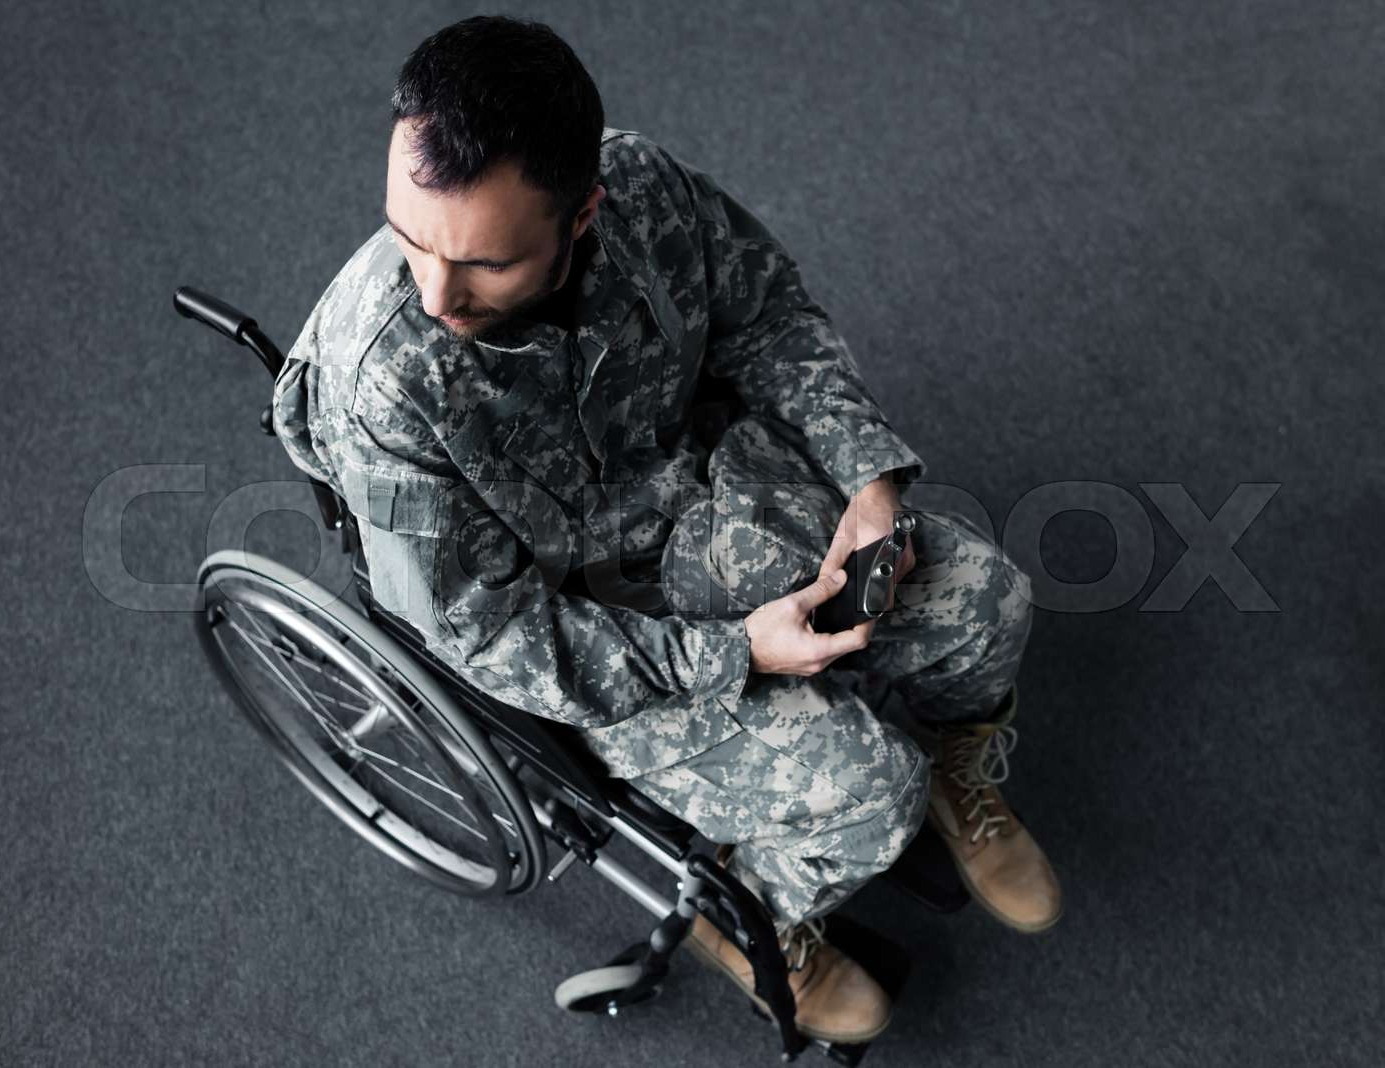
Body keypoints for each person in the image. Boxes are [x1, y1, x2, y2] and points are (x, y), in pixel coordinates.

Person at [272, 14, 1062, 1045]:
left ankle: (966, 771)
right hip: (591, 628)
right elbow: (484, 634)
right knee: (871, 795)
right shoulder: (381, 383)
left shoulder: (646, 192)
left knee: (988, 607)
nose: (435, 291)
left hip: (718, 494)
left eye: (486, 263)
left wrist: (868, 480)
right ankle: (754, 919)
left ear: (582, 210)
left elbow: (769, 316)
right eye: (408, 237)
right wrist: (733, 655)